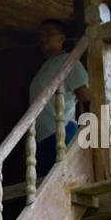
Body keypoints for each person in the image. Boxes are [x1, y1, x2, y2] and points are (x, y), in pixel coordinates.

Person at [29, 19, 90, 177]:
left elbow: (83, 93)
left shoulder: (68, 60)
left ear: (62, 38)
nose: (43, 38)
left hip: (61, 132)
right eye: (41, 35)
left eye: (49, 34)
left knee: (65, 180)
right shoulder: (45, 68)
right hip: (43, 139)